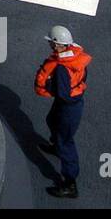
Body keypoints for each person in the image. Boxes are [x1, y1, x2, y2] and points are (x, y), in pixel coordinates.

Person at [34, 25, 92, 199]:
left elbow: (63, 93)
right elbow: (83, 76)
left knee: (65, 141)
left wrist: (50, 86)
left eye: (52, 43)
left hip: (68, 106)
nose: (51, 46)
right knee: (51, 120)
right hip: (73, 102)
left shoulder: (61, 68)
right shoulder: (76, 58)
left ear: (58, 45)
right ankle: (56, 147)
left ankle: (69, 183)